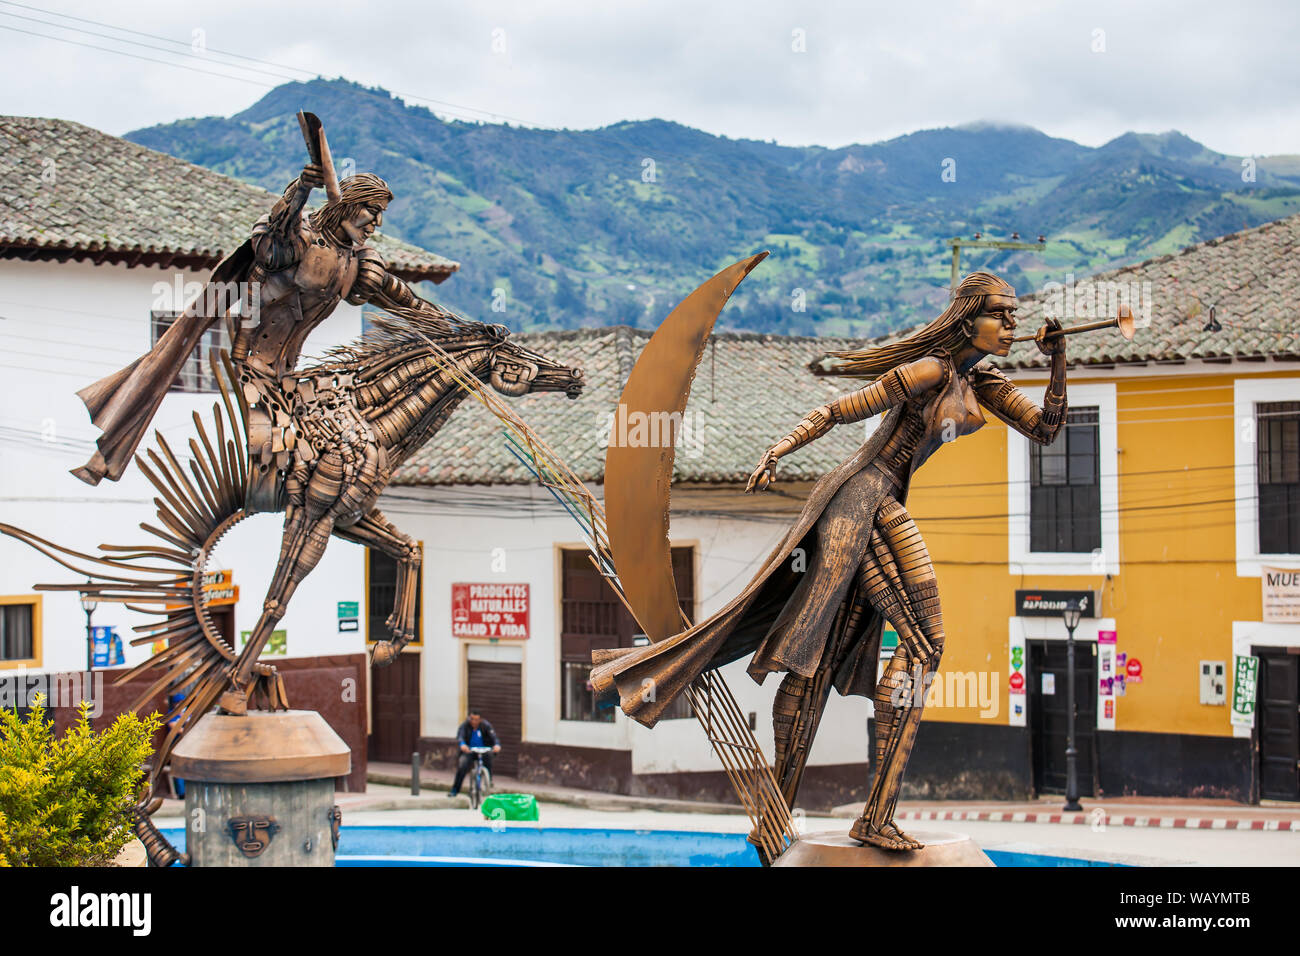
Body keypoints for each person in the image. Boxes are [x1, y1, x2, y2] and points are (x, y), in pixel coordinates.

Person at [590, 271, 1069, 852]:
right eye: (1002, 315)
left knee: (827, 658)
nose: (1013, 327)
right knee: (924, 645)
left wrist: (1059, 360)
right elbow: (842, 410)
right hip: (860, 501)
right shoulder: (930, 371)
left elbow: (1046, 430)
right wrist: (779, 448)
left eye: (1017, 318)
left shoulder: (982, 380)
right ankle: (870, 815)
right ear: (967, 318)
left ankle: (791, 814)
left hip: (884, 503)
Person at [447, 710, 502, 797]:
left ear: (480, 720)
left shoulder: (486, 726)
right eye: (472, 719)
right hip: (469, 751)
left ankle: (489, 781)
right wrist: (463, 745)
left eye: (476, 720)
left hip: (483, 750)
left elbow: (494, 737)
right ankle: (455, 790)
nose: (474, 722)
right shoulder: (465, 726)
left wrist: (497, 745)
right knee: (462, 765)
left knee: (488, 758)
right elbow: (460, 736)